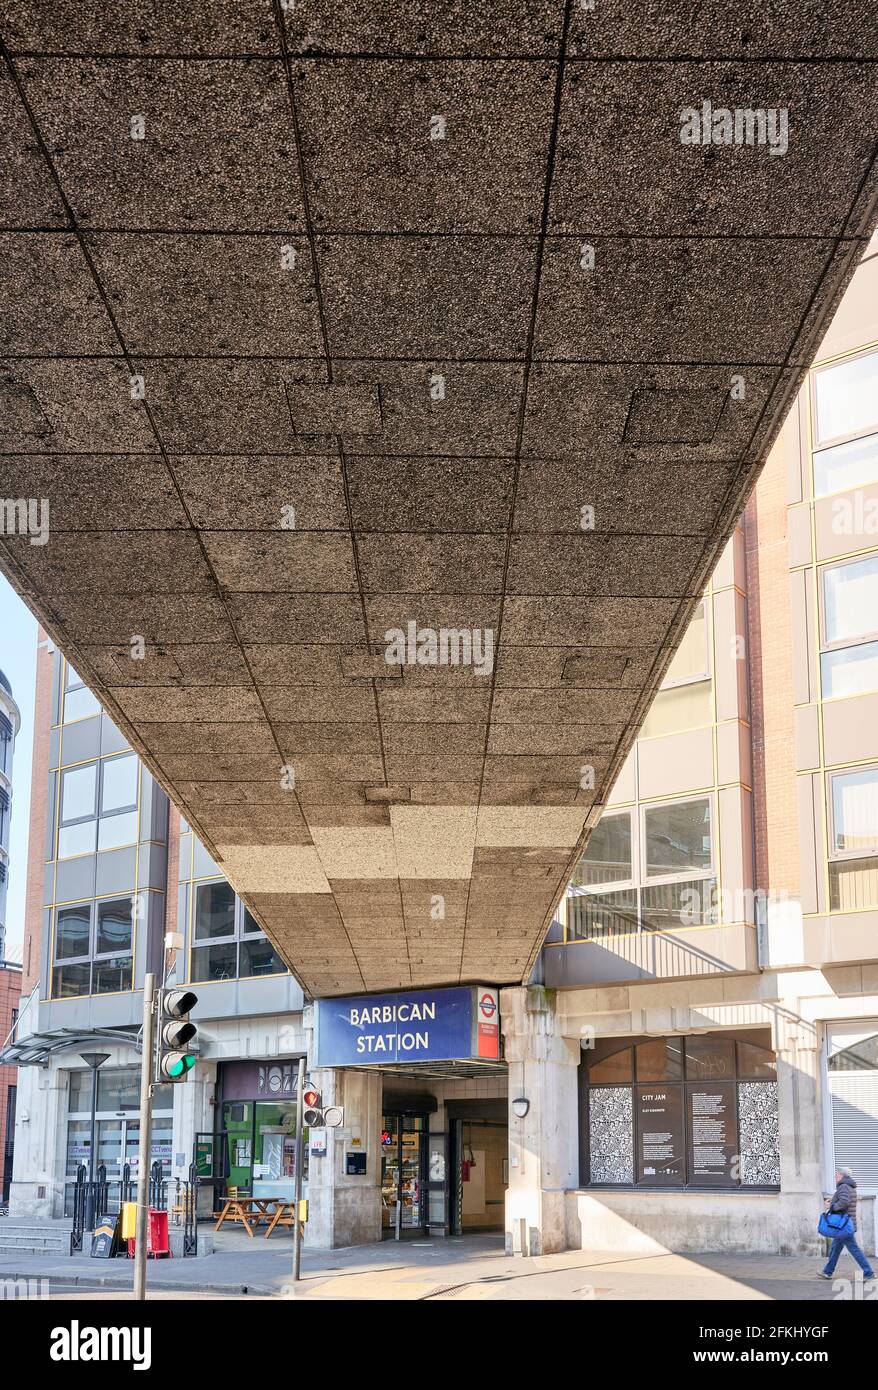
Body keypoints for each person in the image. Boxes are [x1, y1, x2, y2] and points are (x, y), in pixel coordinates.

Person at [817, 1167, 875, 1281]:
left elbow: (844, 1202)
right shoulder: (849, 1186)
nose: (835, 1177)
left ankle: (869, 1273)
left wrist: (831, 1206)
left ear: (842, 1176)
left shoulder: (843, 1186)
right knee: (835, 1248)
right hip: (845, 1225)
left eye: (837, 1175)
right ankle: (827, 1272)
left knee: (854, 1250)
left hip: (843, 1225)